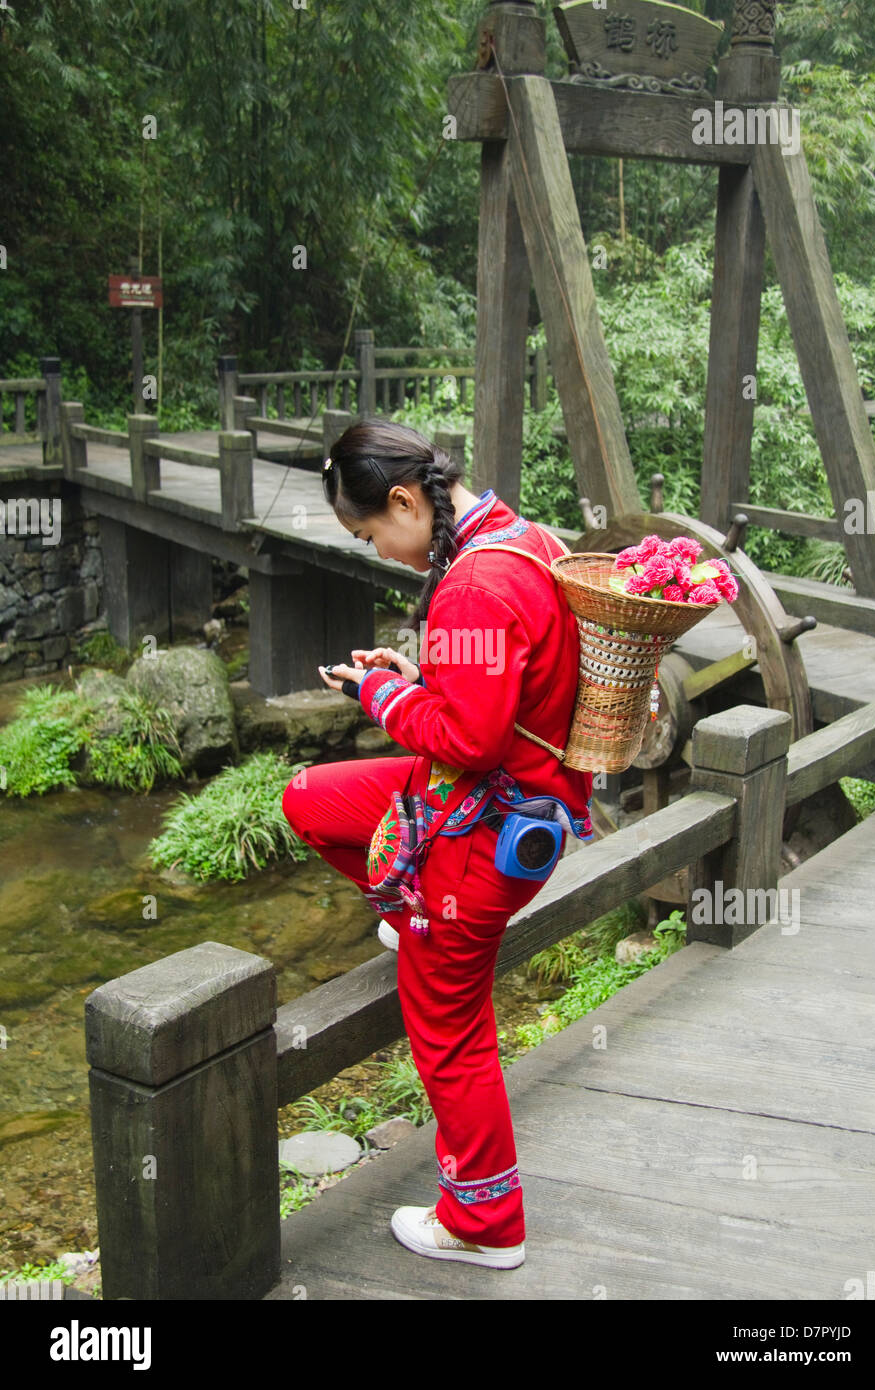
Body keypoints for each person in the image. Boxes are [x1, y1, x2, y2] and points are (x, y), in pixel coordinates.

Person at [281, 418, 594, 1269]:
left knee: (449, 1033)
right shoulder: (523, 540)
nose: (379, 551)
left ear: (406, 500)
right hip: (504, 803)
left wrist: (382, 693)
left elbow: (467, 742)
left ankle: (485, 1225)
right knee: (308, 799)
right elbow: (504, 691)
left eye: (371, 532)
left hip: (485, 830)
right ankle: (405, 911)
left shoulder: (470, 587)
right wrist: (419, 675)